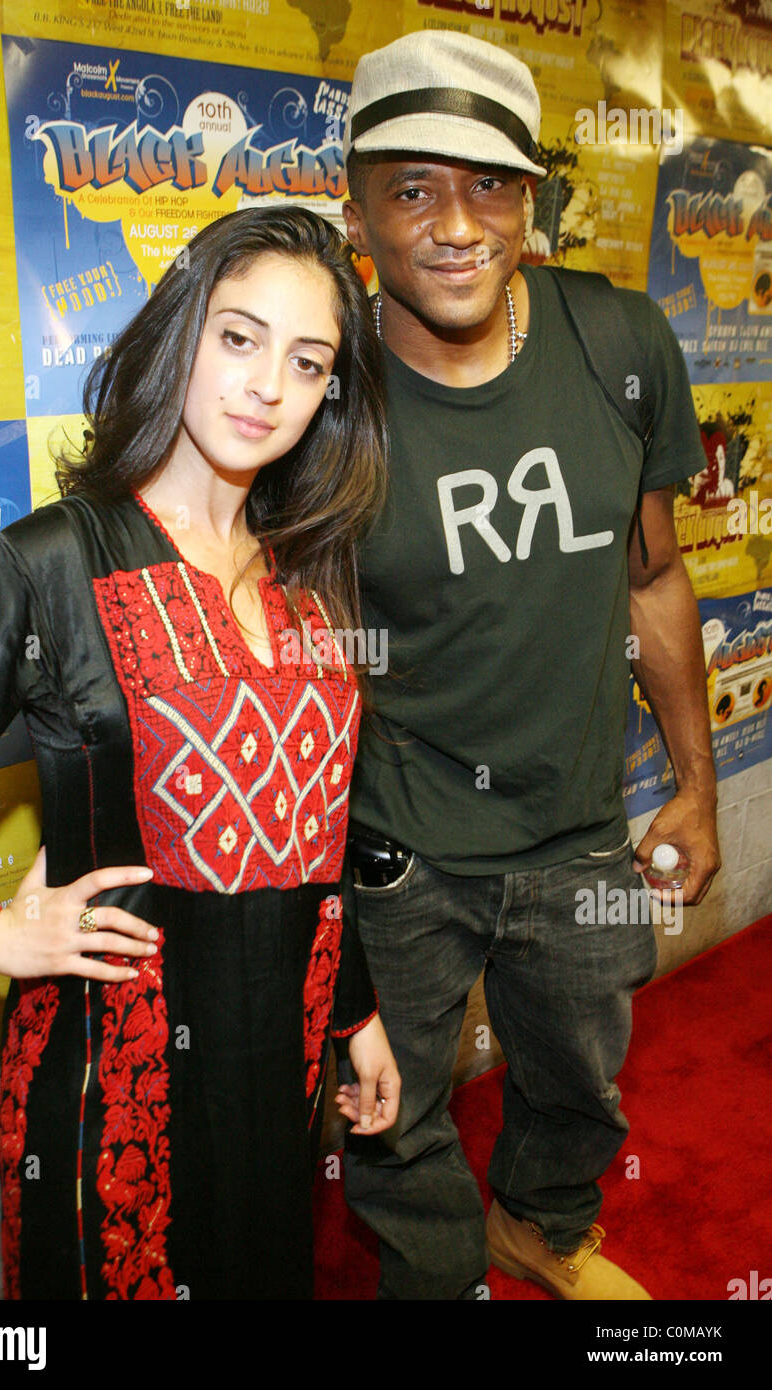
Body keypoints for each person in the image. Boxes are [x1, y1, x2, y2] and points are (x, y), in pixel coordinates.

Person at [0, 205, 401, 1301]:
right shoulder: (50, 563)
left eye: (307, 362)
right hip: (112, 1086)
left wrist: (356, 1015)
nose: (266, 385)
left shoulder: (313, 575)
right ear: (180, 335)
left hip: (280, 1069)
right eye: (239, 337)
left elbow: (314, 838)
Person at [335, 30, 721, 1301]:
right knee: (390, 1106)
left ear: (529, 201)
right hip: (397, 849)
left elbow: (652, 576)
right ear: (355, 210)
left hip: (578, 829)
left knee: (579, 1076)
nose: (456, 226)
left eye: (488, 185)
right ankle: (437, 1272)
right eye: (412, 188)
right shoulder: (317, 390)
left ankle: (540, 1227)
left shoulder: (618, 341)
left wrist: (695, 786)